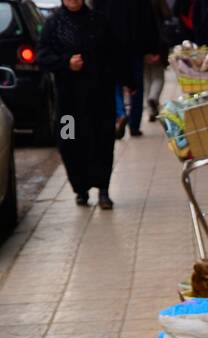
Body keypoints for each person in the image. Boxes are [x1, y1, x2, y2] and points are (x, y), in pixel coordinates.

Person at [39, 0, 125, 210]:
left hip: (99, 100)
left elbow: (115, 54)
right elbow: (43, 56)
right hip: (68, 104)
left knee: (103, 141)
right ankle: (80, 189)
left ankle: (103, 189)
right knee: (69, 142)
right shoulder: (53, 24)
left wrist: (126, 81)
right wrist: (66, 62)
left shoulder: (99, 21)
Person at [93, 0, 160, 138]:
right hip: (135, 45)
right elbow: (148, 18)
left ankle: (120, 114)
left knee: (114, 82)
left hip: (111, 45)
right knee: (136, 86)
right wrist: (152, 47)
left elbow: (96, 17)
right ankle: (134, 125)